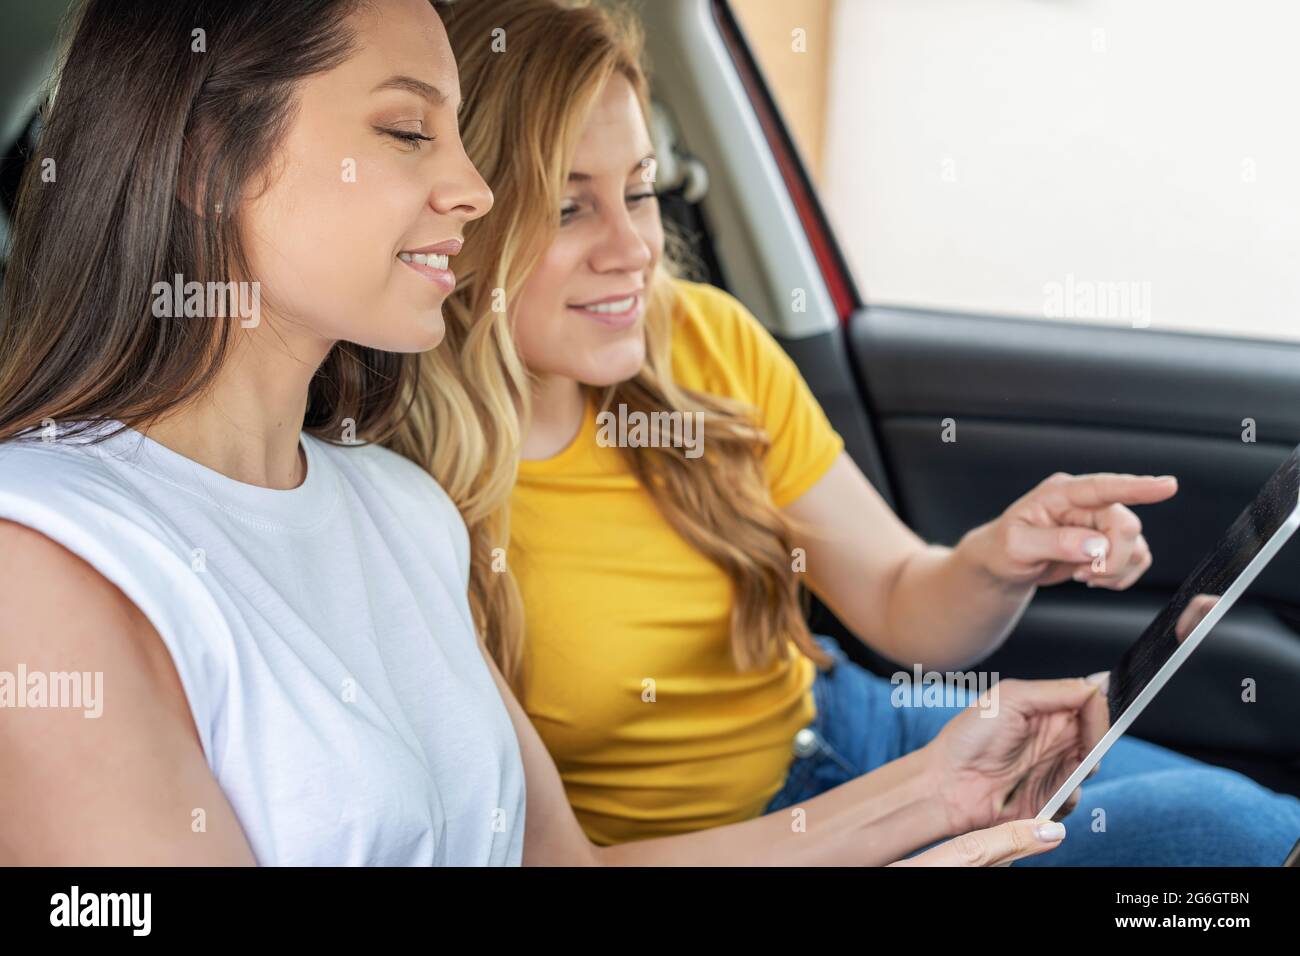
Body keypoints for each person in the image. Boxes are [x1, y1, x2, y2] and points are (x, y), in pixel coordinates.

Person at [0, 0, 1081, 867]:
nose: (471, 188)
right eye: (407, 129)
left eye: (461, 135)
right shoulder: (42, 561)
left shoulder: (394, 507)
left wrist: (933, 793)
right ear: (206, 162)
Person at [403, 0, 1300, 864]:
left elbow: (902, 598)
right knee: (1234, 838)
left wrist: (996, 558)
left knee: (1266, 824)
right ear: (458, 222)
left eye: (638, 192)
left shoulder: (701, 339)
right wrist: (915, 800)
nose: (634, 247)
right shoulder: (406, 498)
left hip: (855, 719)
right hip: (737, 844)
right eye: (568, 208)